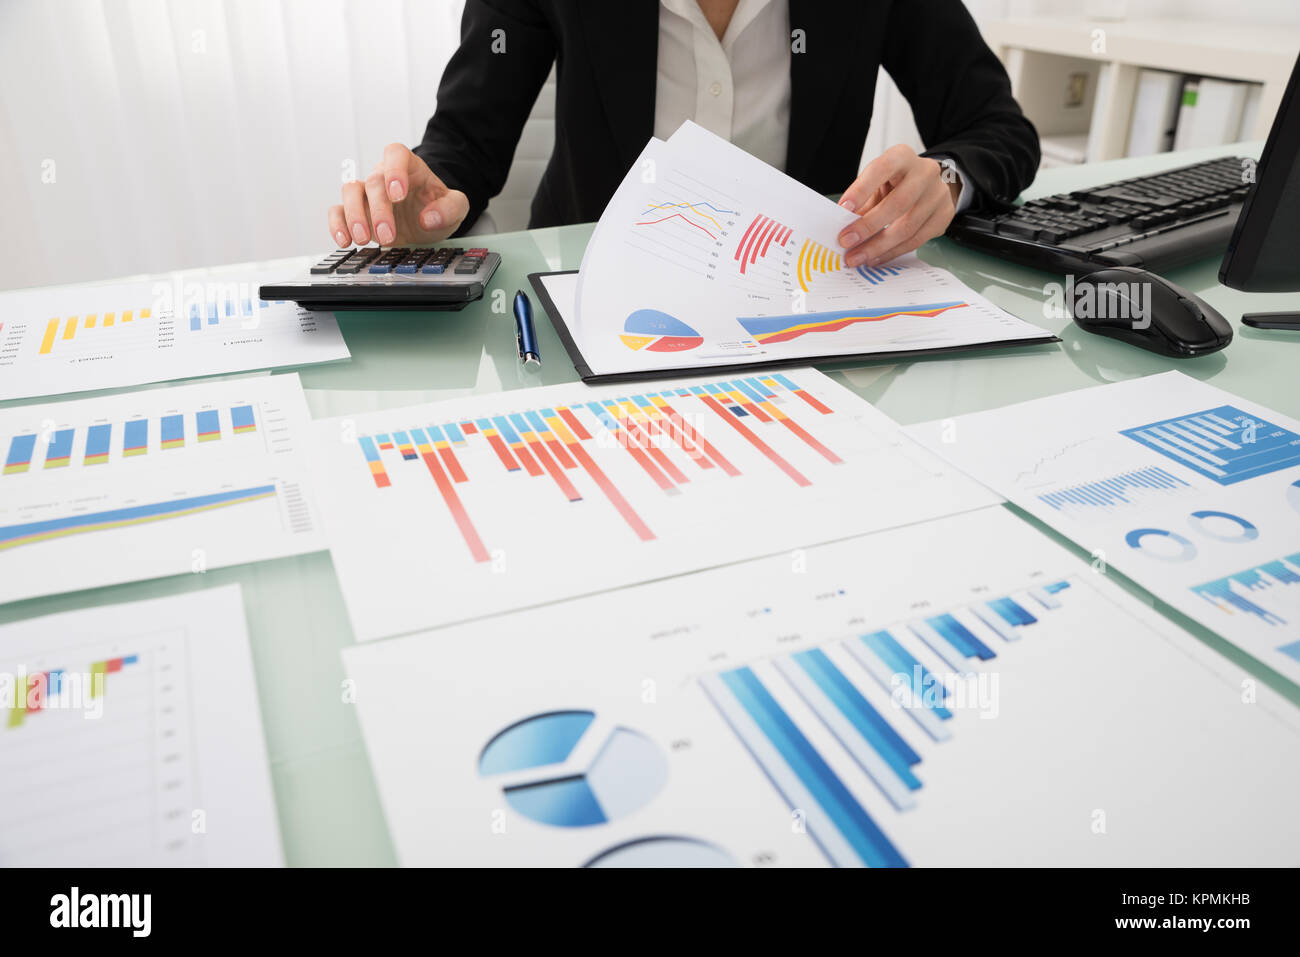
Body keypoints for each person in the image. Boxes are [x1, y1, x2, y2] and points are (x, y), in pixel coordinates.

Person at [327, 0, 1038, 268]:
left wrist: (944, 179)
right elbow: (466, 142)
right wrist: (426, 192)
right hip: (593, 300)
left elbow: (996, 128)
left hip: (800, 309)